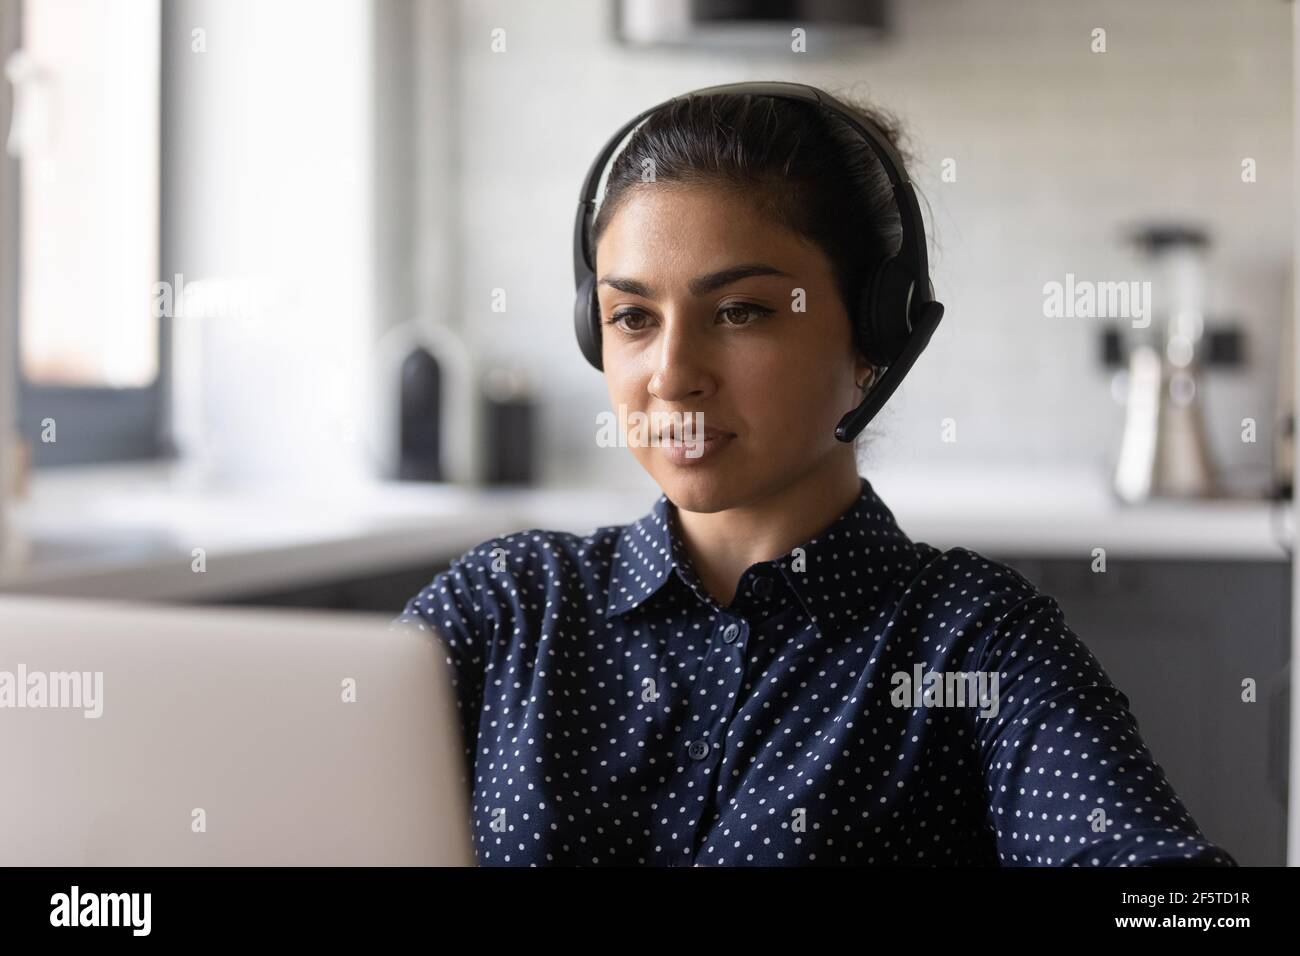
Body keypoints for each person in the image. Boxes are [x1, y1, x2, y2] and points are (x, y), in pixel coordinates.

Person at [393, 83, 1237, 867]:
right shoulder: (504, 608)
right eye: (634, 318)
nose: (671, 374)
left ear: (877, 336)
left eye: (740, 312)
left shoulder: (978, 647)